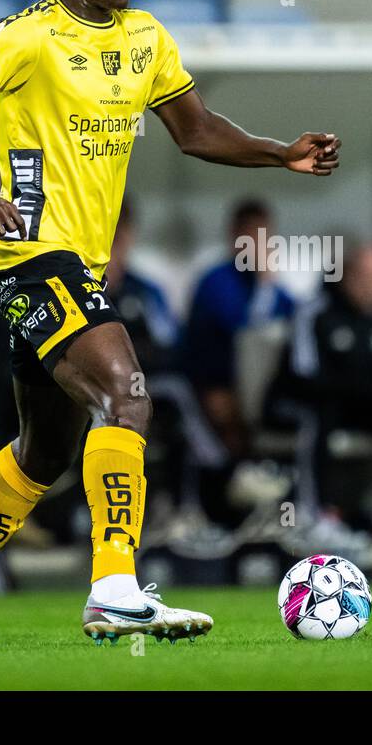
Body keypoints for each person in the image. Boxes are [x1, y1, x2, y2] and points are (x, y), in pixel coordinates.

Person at [0, 0, 341, 647]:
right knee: (129, 397)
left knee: (45, 452)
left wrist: (277, 151)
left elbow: (195, 130)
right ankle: (114, 587)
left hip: (82, 267)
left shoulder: (146, 39)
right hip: (30, 258)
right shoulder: (29, 35)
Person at [267, 243, 372, 537]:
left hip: (366, 404)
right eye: (364, 277)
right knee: (317, 415)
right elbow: (305, 374)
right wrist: (360, 385)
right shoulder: (314, 312)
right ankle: (316, 514)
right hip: (314, 401)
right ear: (346, 276)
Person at [105, 200, 228, 526]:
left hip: (140, 387)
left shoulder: (143, 292)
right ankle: (216, 462)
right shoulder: (72, 287)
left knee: (173, 402)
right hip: (88, 388)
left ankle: (181, 508)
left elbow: (170, 348)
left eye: (118, 236)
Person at [184, 198, 296, 458]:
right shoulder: (216, 281)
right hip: (218, 386)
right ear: (234, 236)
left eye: (263, 235)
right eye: (250, 235)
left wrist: (266, 284)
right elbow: (238, 330)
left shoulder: (276, 291)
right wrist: (264, 284)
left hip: (267, 392)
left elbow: (294, 325)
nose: (257, 244)